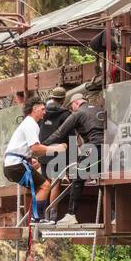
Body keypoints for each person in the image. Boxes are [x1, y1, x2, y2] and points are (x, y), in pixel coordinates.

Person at [42, 88, 104, 226]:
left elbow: (60, 132)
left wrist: (42, 146)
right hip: (109, 148)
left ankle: (71, 214)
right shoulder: (100, 110)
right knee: (103, 181)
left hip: (93, 147)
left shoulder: (78, 113)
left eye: (71, 107)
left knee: (77, 177)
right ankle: (114, 215)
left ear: (76, 103)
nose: (71, 109)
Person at [4, 97, 67, 222]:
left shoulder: (27, 123)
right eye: (42, 109)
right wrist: (56, 149)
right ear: (34, 109)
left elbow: (28, 149)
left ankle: (35, 217)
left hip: (12, 165)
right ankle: (36, 218)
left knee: (40, 187)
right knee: (45, 186)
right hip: (16, 165)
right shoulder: (31, 124)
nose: (45, 112)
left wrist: (30, 160)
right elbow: (35, 148)